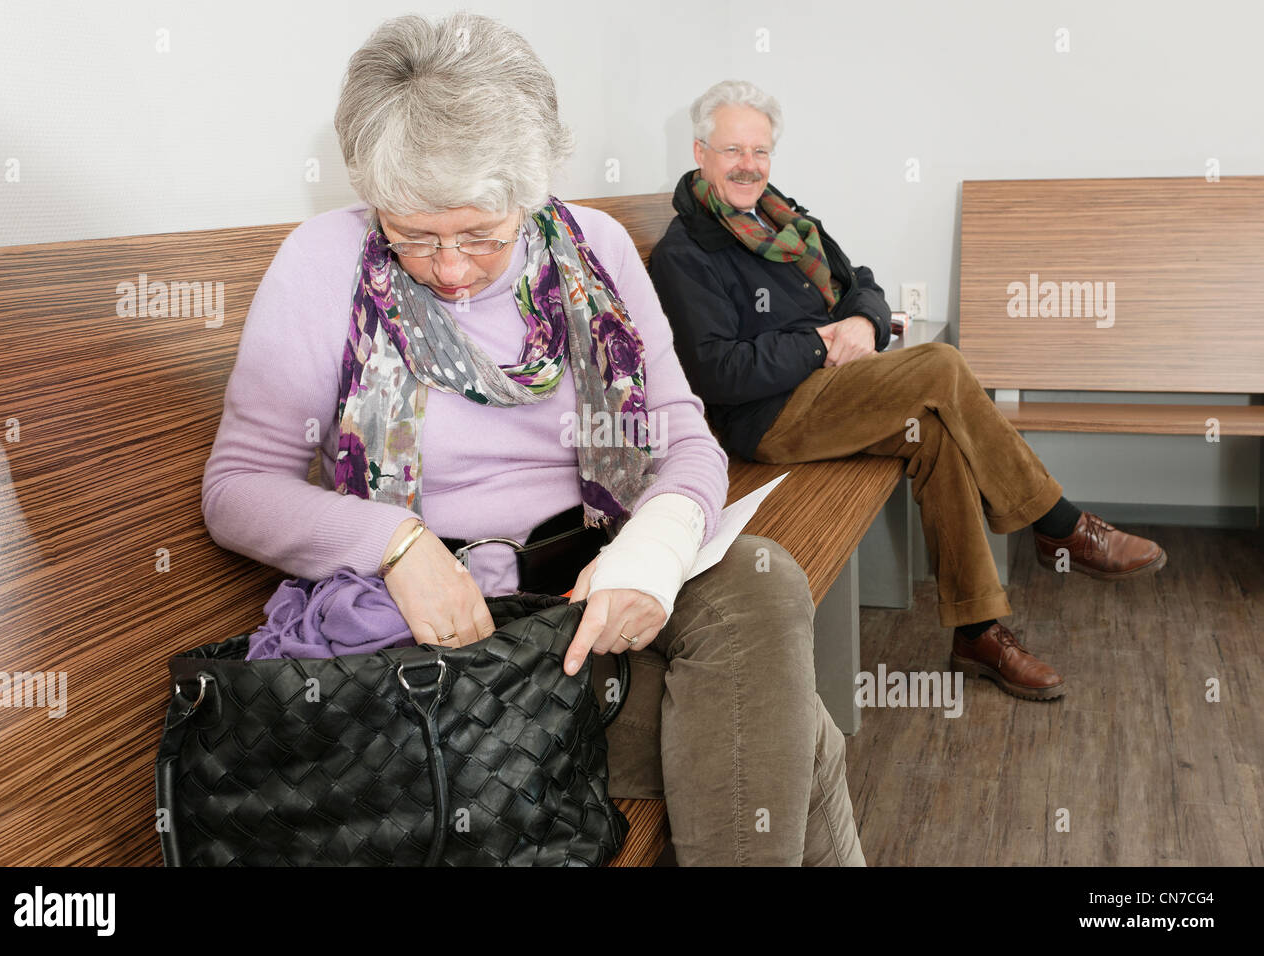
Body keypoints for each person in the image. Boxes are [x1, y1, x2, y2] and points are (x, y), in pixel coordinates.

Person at [201, 15, 864, 866]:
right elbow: (237, 488)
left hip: (592, 579)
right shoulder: (322, 262)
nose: (449, 268)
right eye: (413, 236)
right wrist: (396, 546)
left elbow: (685, 439)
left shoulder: (600, 250)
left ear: (532, 191)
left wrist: (648, 556)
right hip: (447, 637)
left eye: (480, 233)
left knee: (765, 583)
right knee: (799, 733)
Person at [649, 79, 1167, 703]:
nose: (749, 165)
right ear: (701, 151)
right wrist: (820, 343)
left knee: (940, 434)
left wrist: (863, 322)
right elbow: (715, 373)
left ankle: (977, 631)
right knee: (940, 367)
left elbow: (859, 280)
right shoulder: (688, 249)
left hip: (834, 391)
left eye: (761, 151)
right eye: (734, 150)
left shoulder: (783, 219)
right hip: (770, 418)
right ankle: (1058, 523)